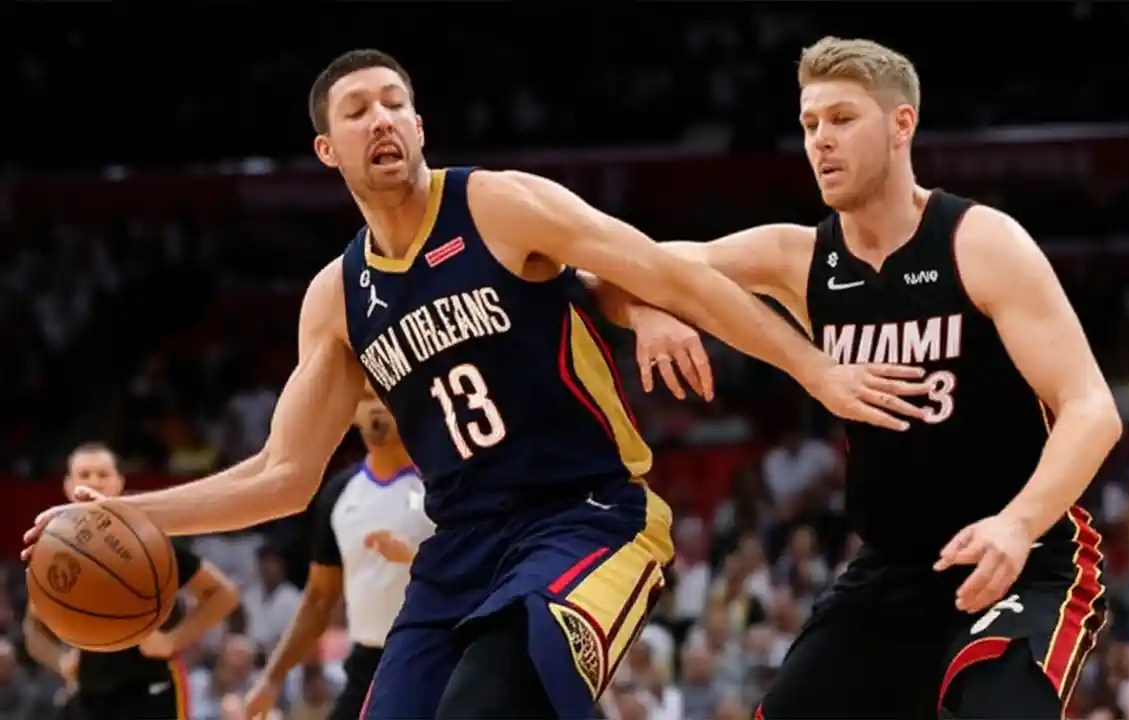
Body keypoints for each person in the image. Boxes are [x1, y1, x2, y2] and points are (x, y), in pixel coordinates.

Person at [25, 49, 930, 719]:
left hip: (588, 516)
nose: (381, 119)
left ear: (420, 126)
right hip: (460, 548)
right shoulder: (336, 299)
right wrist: (138, 517)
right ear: (326, 148)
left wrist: (813, 368)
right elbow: (282, 475)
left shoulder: (499, 204)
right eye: (358, 110)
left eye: (396, 104)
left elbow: (668, 273)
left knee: (488, 706)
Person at [592, 37, 1123, 718]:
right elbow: (605, 271)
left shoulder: (980, 241)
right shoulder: (796, 255)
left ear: (902, 125)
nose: (820, 141)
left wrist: (1016, 525)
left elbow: (1091, 408)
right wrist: (648, 311)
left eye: (842, 120)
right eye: (810, 124)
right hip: (895, 566)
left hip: (1028, 555)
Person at [243, 385, 436, 719]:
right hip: (366, 662)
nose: (375, 406)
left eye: (383, 394)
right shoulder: (339, 492)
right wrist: (272, 679)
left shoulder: (441, 481)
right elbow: (319, 597)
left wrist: (416, 557)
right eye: (364, 397)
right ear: (350, 412)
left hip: (435, 654)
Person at [24, 443, 239, 720]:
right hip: (89, 694)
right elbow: (33, 626)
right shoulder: (56, 551)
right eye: (84, 474)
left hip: (150, 689)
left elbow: (224, 593)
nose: (93, 481)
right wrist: (61, 662)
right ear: (68, 484)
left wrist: (174, 640)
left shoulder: (150, 543)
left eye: (103, 474)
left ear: (120, 482)